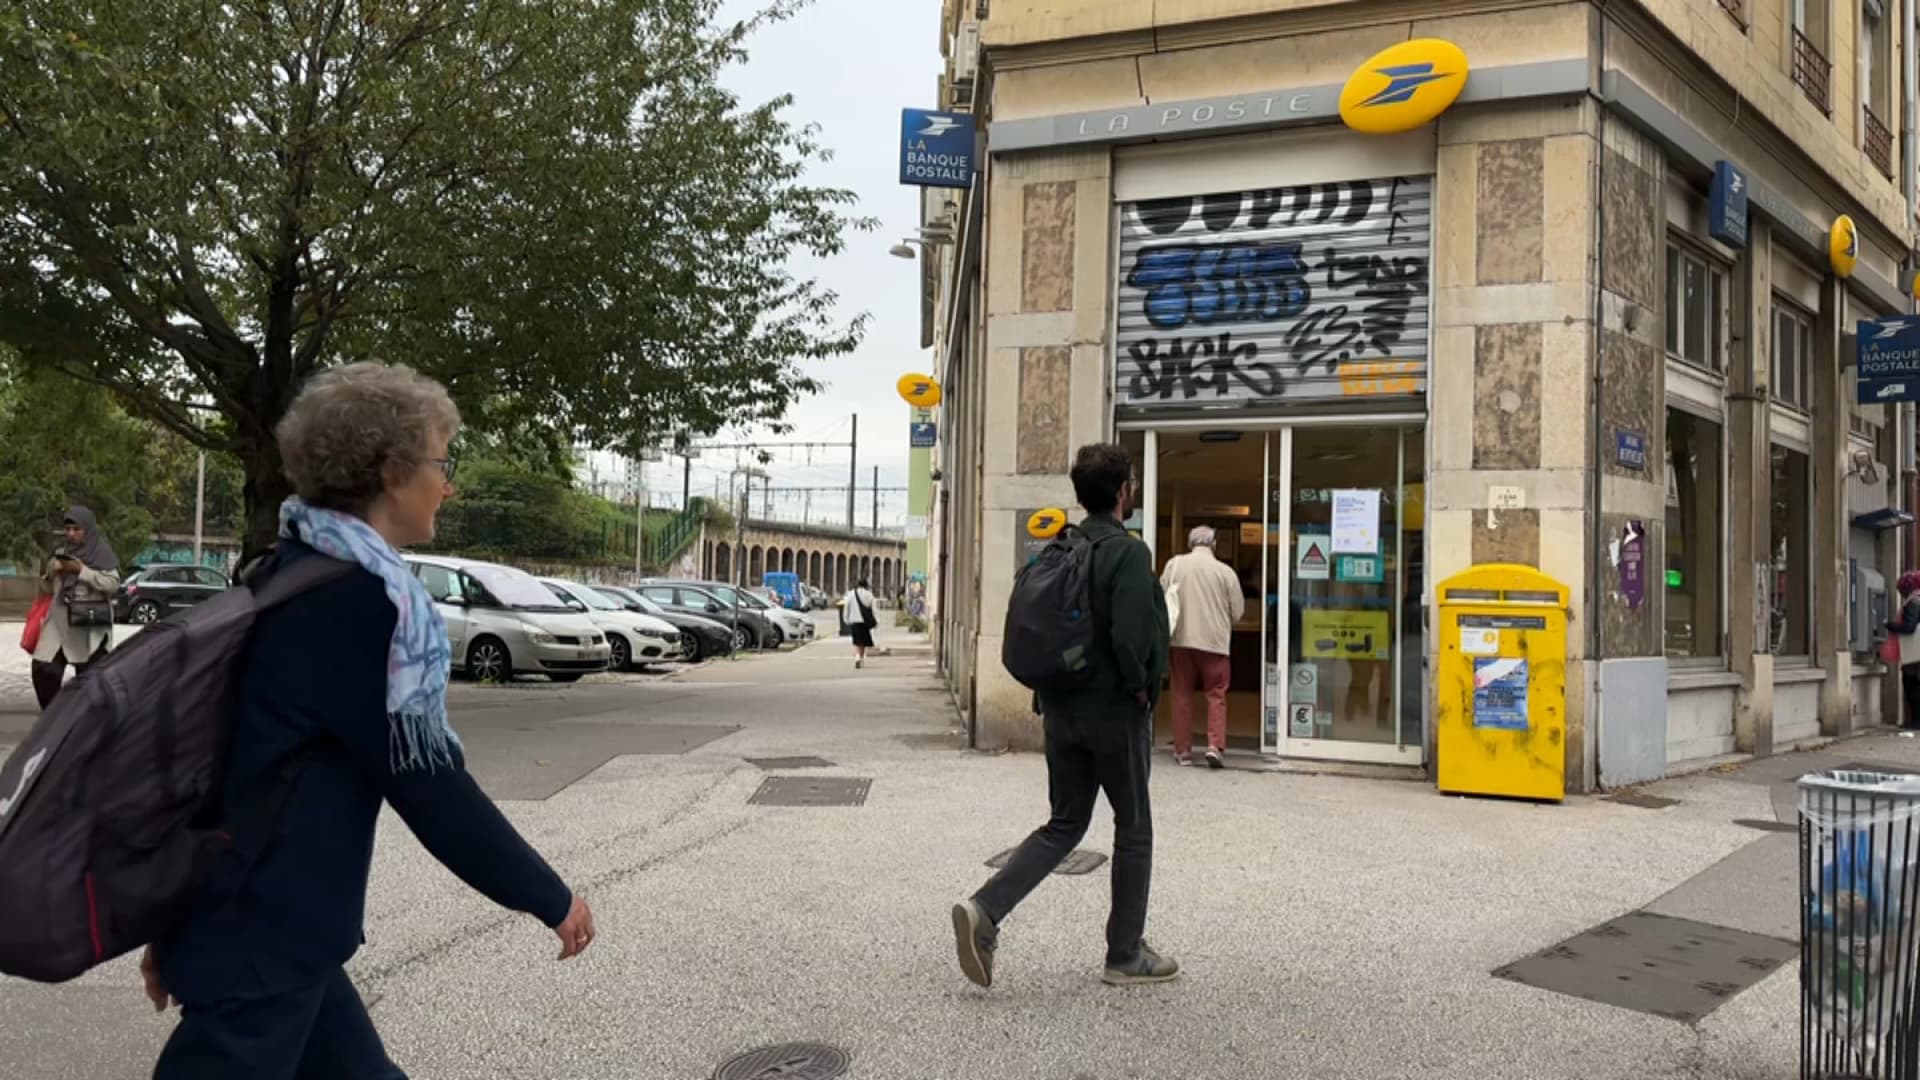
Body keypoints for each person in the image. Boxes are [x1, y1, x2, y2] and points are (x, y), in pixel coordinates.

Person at [144, 363, 596, 1079]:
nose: (449, 485)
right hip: (265, 936)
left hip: (267, 925)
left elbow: (228, 761)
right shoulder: (357, 604)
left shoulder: (285, 569)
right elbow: (429, 787)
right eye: (442, 463)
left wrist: (178, 920)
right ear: (392, 472)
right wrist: (549, 896)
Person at [951, 442, 1175, 988]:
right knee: (1134, 827)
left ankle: (986, 910)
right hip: (1113, 713)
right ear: (1123, 492)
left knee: (1065, 824)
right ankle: (1125, 955)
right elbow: (1131, 639)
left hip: (1060, 709)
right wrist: (1140, 690)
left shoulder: (1062, 547)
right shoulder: (1127, 553)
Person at [1159, 525, 1246, 769]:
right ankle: (1214, 746)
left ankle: (1182, 751)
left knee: (1182, 695)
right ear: (1213, 544)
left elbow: (1161, 597)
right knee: (1216, 694)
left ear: (1190, 544)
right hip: (1215, 644)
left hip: (1181, 641)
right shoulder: (1225, 572)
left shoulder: (1174, 565)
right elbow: (1237, 613)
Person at [30, 505, 120, 709]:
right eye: (67, 529)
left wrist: (81, 570)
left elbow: (113, 585)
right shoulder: (60, 553)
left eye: (76, 529)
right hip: (59, 626)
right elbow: (47, 589)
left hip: (90, 628)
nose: (71, 534)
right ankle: (54, 716)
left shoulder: (101, 554)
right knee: (43, 670)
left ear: (87, 530)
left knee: (90, 686)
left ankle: (82, 722)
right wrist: (51, 574)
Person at [1889, 571, 1920, 730]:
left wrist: (1889, 625)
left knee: (1911, 686)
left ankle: (1917, 721)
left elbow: (1909, 627)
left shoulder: (1914, 602)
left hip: (1915, 655)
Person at [843, 576, 879, 669]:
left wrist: (846, 618)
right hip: (865, 621)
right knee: (863, 641)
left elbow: (846, 607)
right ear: (866, 585)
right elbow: (874, 609)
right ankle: (861, 658)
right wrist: (876, 620)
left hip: (854, 620)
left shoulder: (851, 594)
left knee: (857, 641)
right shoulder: (869, 595)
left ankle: (857, 657)